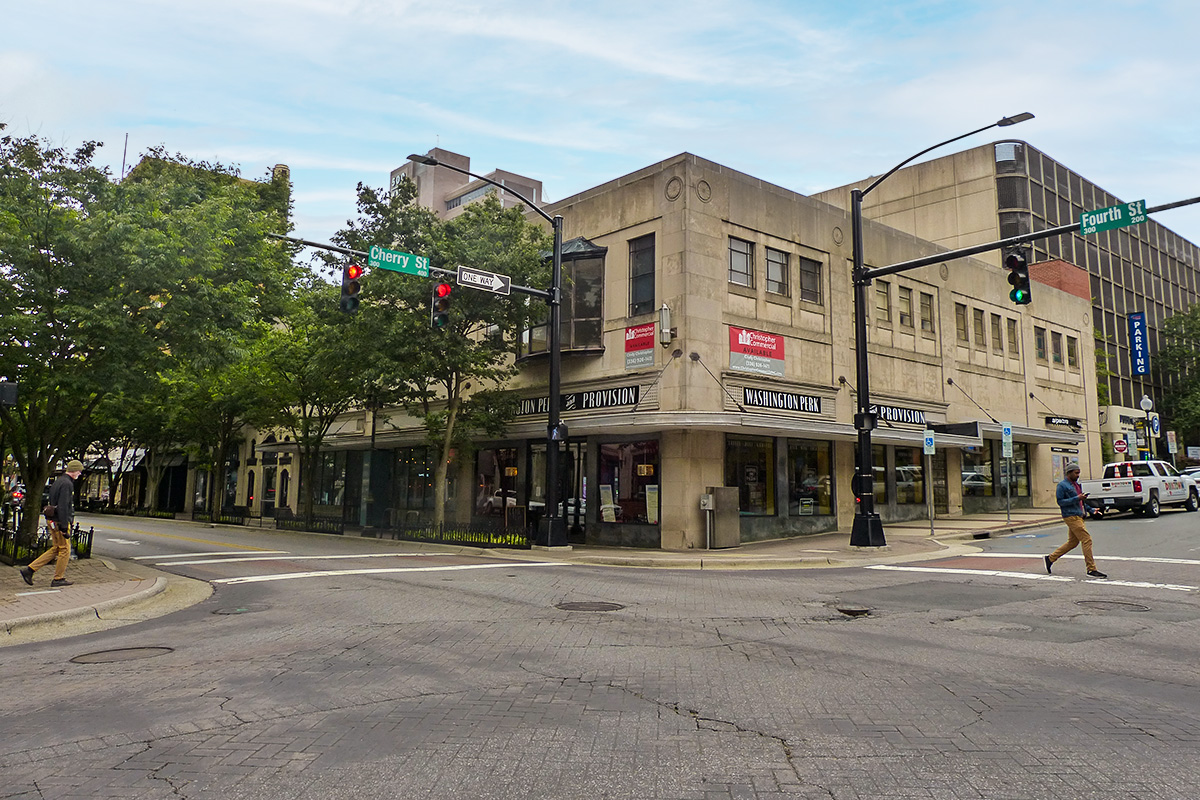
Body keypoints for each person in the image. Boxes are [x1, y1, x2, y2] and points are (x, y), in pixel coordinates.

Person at [19, 460, 83, 588]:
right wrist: (65, 526)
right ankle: (58, 578)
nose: (80, 474)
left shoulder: (58, 481)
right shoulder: (67, 484)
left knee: (56, 548)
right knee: (65, 550)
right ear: (74, 470)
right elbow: (64, 506)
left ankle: (30, 570)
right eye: (79, 471)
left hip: (52, 520)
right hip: (60, 521)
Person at [1044, 461, 1107, 579]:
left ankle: (1050, 558)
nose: (1078, 475)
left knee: (1073, 542)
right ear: (1069, 473)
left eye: (1078, 473)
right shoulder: (1062, 486)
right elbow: (1060, 502)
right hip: (1071, 516)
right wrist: (1076, 498)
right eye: (1076, 473)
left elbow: (1081, 502)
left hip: (1079, 515)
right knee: (1087, 539)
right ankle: (1091, 569)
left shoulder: (1076, 485)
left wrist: (1091, 509)